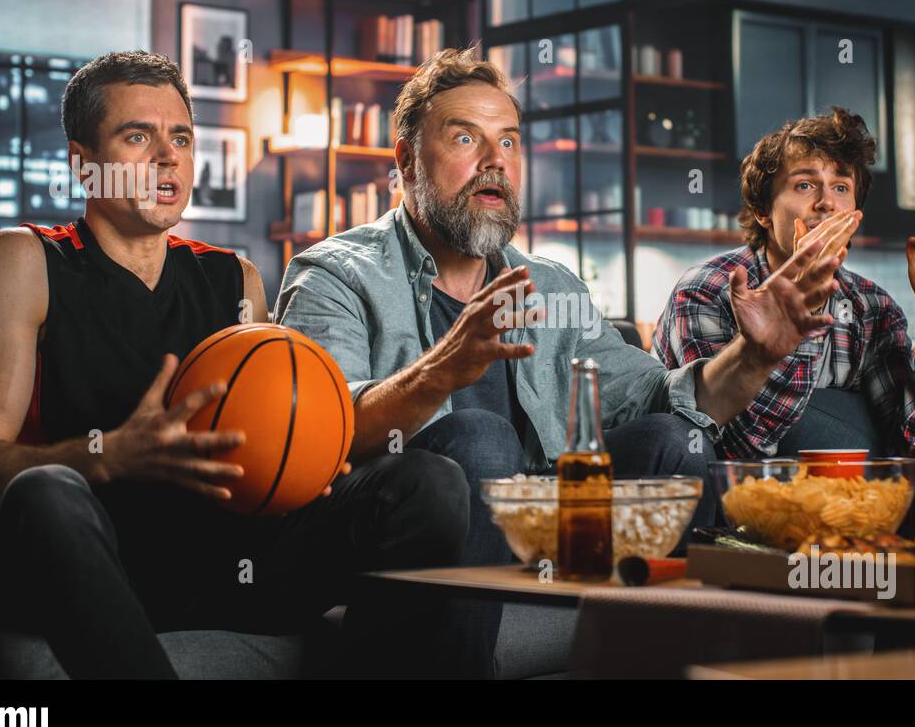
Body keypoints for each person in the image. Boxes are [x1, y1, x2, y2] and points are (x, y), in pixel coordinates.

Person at [276, 47, 851, 676]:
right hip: (394, 523)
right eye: (466, 137)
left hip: (539, 526)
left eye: (510, 142)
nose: (495, 161)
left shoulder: (551, 286)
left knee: (674, 439)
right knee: (479, 437)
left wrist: (753, 357)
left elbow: (658, 395)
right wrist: (444, 367)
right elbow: (321, 432)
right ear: (406, 158)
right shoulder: (335, 272)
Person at [0, 50, 466, 679]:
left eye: (181, 137)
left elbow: (270, 429)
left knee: (428, 482)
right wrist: (108, 455)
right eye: (137, 135)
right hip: (91, 559)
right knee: (43, 493)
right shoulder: (24, 260)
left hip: (228, 566)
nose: (167, 157)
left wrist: (310, 457)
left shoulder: (233, 279)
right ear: (83, 164)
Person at [654, 107, 915, 460]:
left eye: (841, 187)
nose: (826, 202)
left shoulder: (874, 308)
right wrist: (804, 308)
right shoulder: (706, 290)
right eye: (804, 185)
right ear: (763, 211)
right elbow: (737, 446)